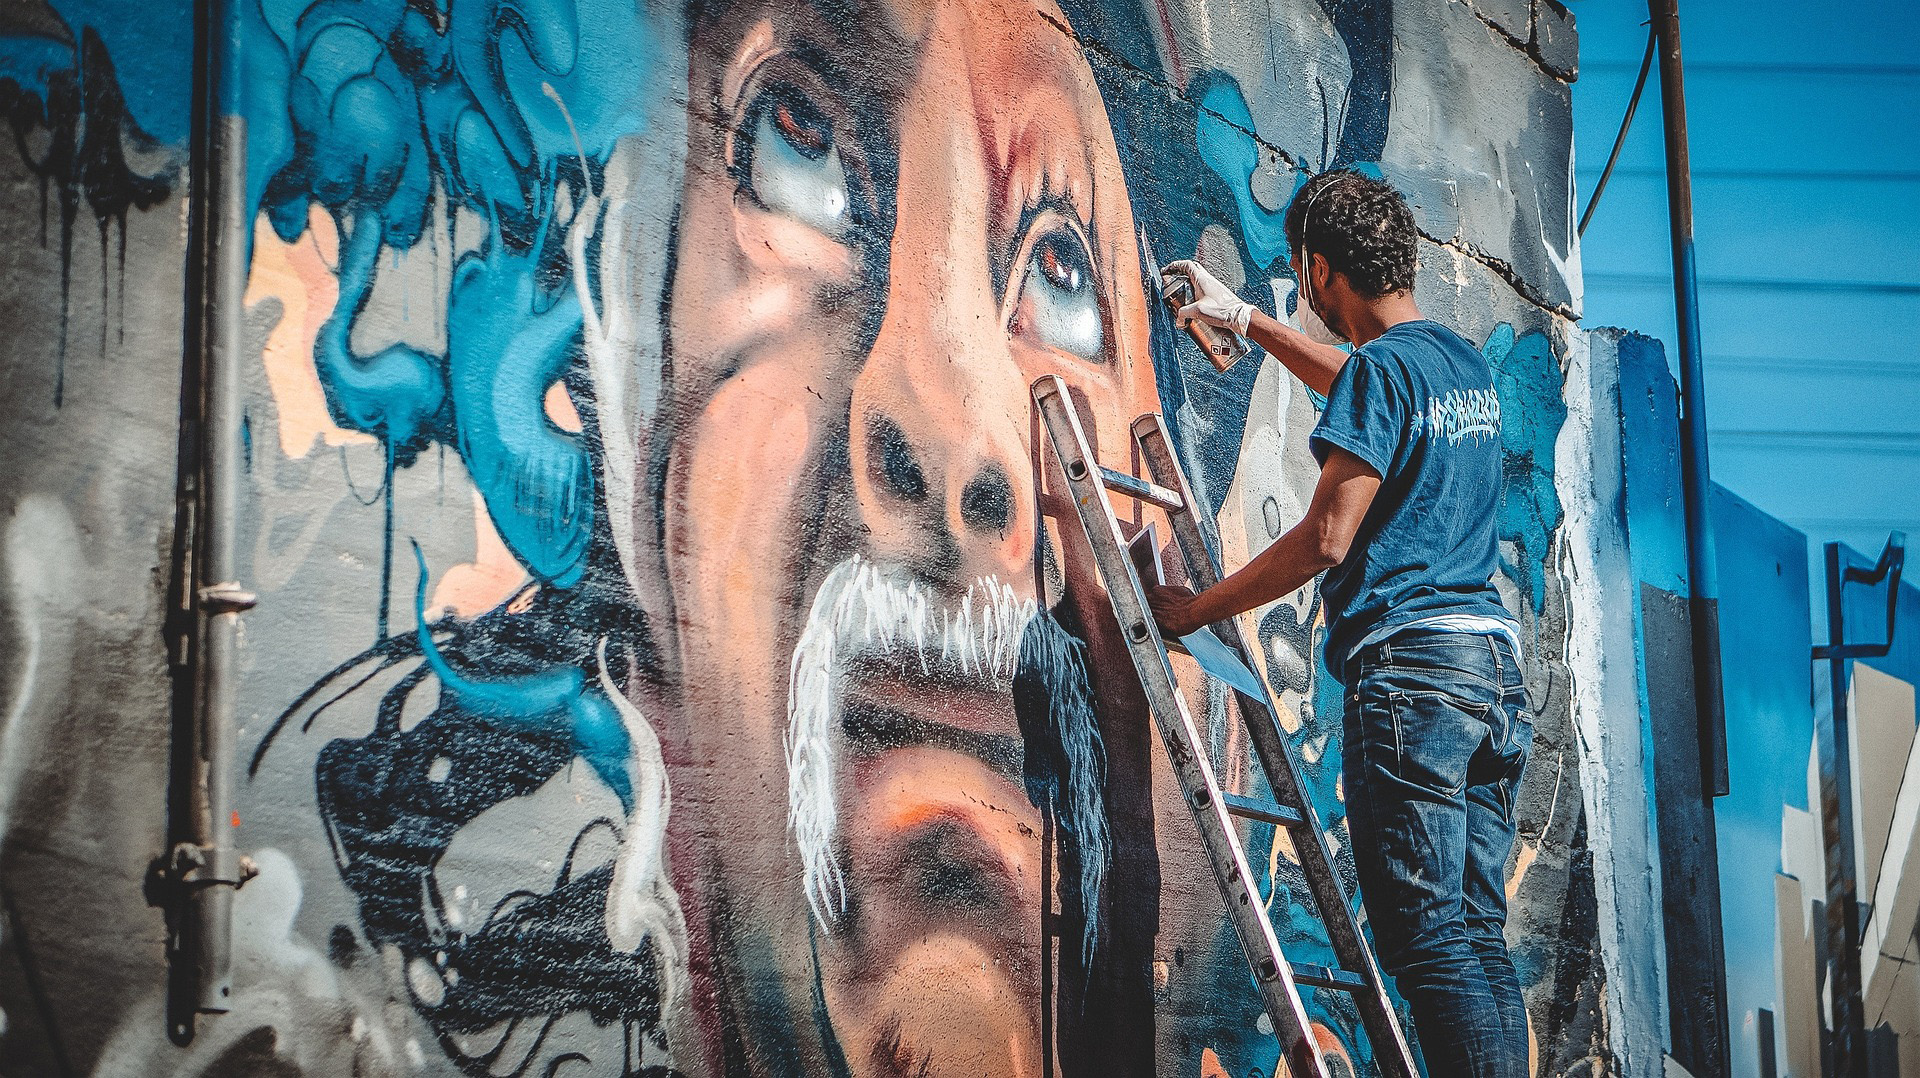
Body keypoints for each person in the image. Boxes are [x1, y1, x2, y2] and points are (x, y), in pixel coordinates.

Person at [1149, 170, 1534, 1078]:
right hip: (1492, 677)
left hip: (1415, 680)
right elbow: (1370, 386)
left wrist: (1195, 609)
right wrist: (1246, 320)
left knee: (1426, 942)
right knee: (1475, 936)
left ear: (1321, 272)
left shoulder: (1385, 377)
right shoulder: (1459, 364)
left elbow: (1327, 538)